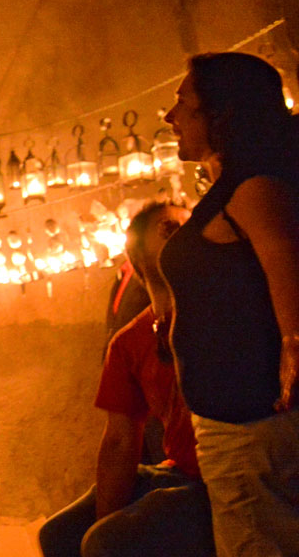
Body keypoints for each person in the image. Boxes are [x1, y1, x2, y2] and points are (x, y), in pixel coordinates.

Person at [159, 52, 299, 557]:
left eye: (183, 103)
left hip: (254, 429)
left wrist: (294, 346)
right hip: (238, 427)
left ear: (221, 114)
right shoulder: (234, 186)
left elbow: (287, 265)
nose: (170, 116)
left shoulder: (255, 188)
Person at [38, 201, 214, 557]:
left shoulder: (220, 310)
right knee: (59, 535)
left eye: (188, 227)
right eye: (169, 229)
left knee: (105, 543)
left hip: (214, 479)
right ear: (137, 256)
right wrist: (106, 521)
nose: (185, 236)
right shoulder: (129, 342)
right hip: (177, 472)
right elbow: (120, 440)